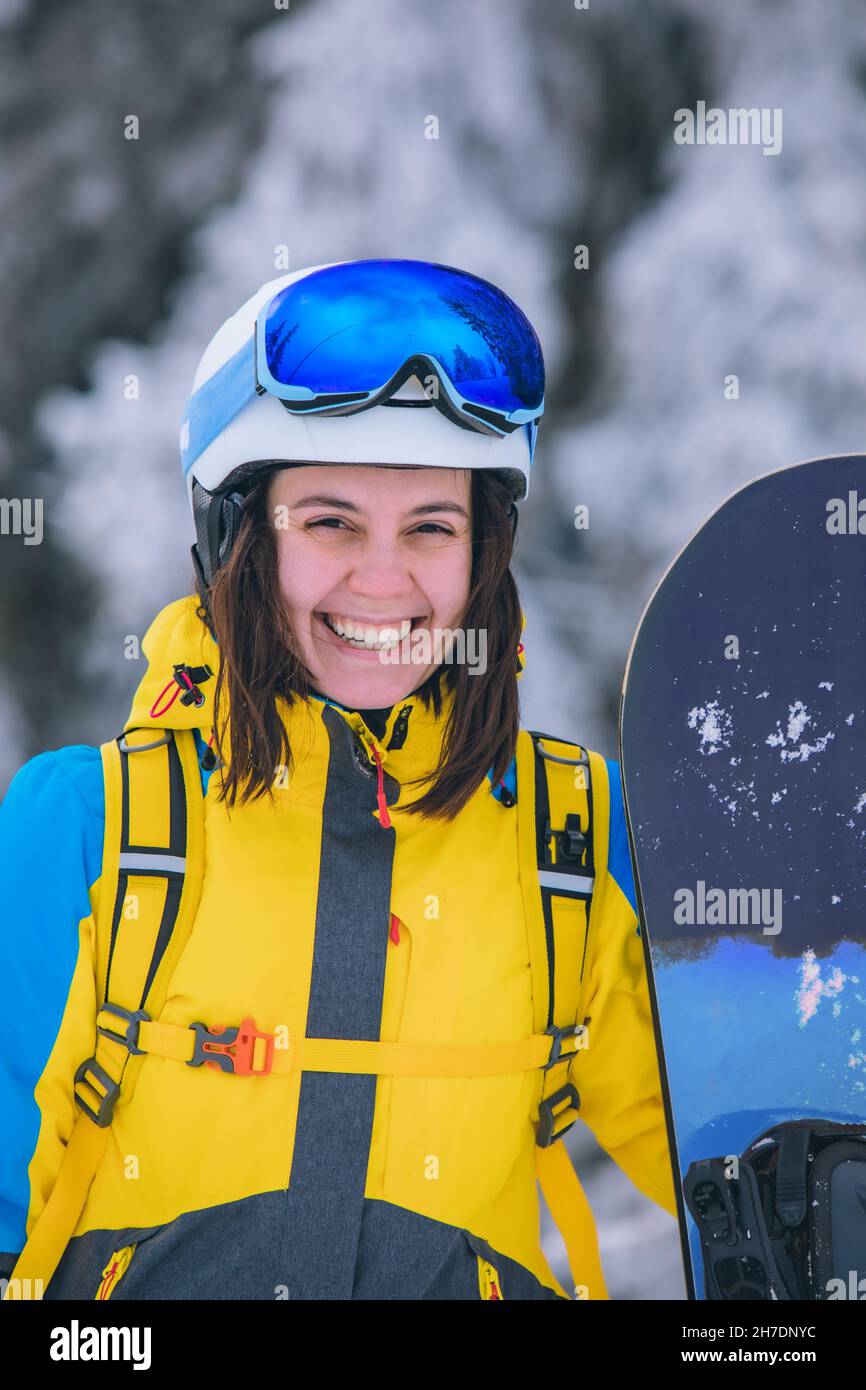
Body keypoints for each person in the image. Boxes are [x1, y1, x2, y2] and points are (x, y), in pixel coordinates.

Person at [0, 258, 676, 1302]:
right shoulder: (87, 829)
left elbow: (729, 1169)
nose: (383, 577)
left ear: (483, 552)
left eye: (430, 527)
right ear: (237, 535)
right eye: (328, 522)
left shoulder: (573, 841)